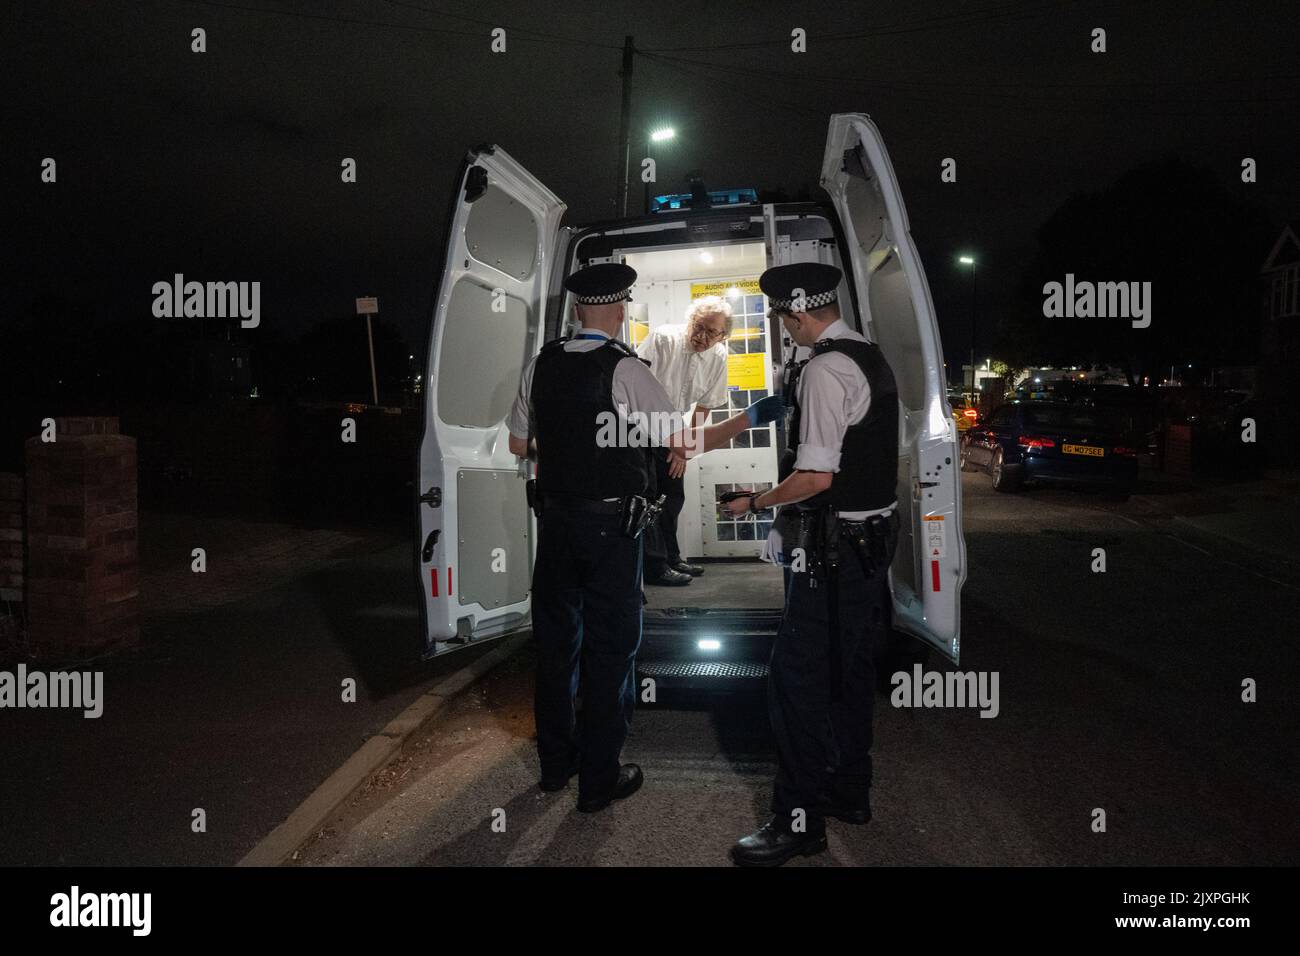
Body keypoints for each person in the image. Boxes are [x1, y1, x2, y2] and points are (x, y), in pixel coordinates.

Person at [506, 262, 784, 813]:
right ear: (619, 309)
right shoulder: (626, 370)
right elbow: (683, 440)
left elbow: (519, 446)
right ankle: (598, 781)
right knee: (611, 650)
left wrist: (568, 453)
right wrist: (750, 416)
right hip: (611, 529)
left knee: (558, 648)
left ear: (577, 308)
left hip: (556, 526)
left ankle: (556, 769)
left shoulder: (540, 365)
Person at [722, 263, 901, 865]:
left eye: (782, 317)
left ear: (798, 313)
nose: (782, 327)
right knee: (847, 674)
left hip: (834, 550)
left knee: (795, 683)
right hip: (869, 541)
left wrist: (755, 503)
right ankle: (850, 792)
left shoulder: (824, 369)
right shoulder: (866, 355)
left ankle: (796, 822)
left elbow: (816, 476)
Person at [636, 296, 732, 586]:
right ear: (689, 321)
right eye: (697, 326)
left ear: (723, 336)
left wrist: (685, 450)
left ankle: (671, 557)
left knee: (672, 497)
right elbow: (638, 388)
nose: (701, 336)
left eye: (711, 332)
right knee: (649, 495)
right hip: (640, 424)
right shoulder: (664, 338)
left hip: (673, 428)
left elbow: (704, 406)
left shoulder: (719, 355)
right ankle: (654, 566)